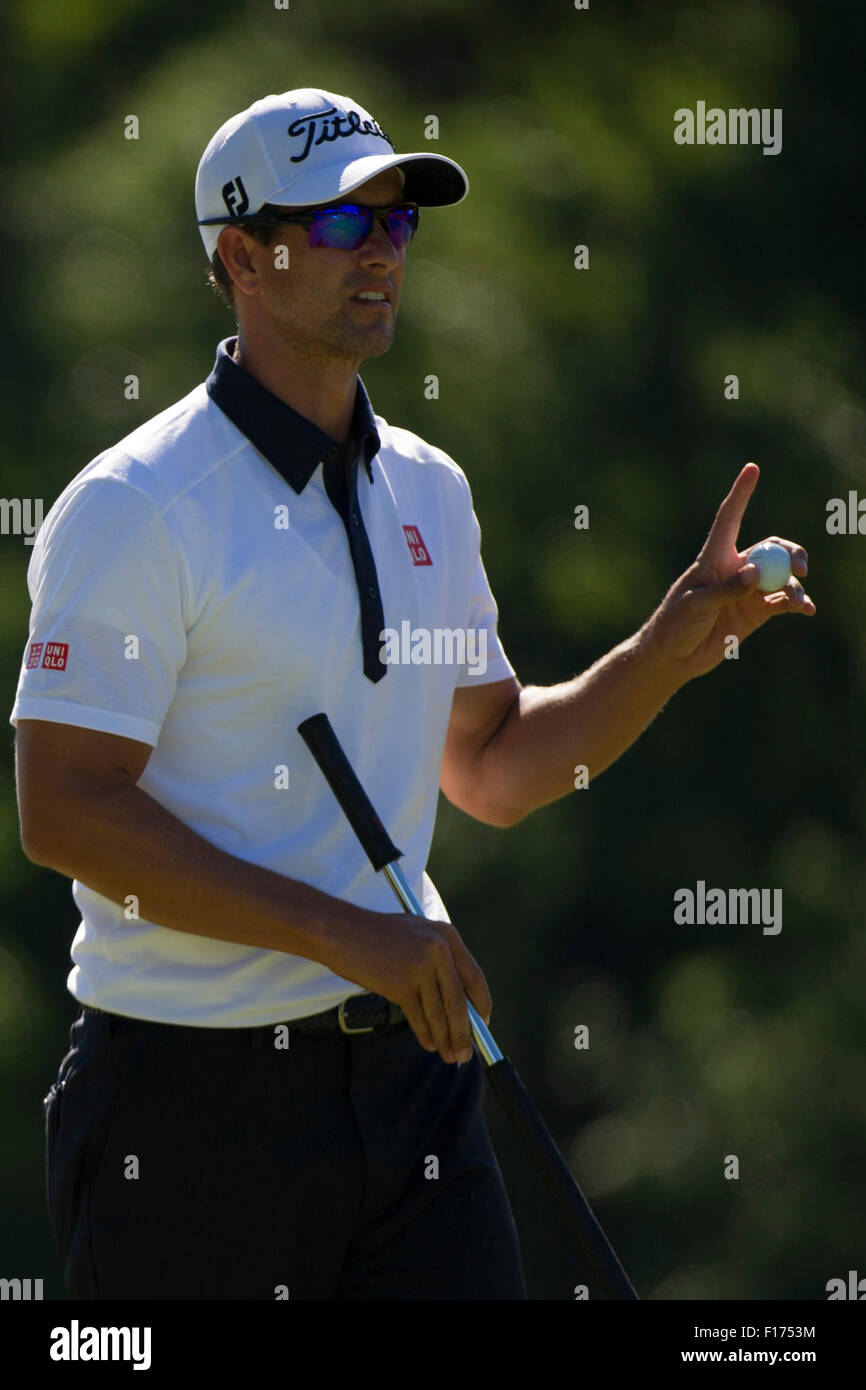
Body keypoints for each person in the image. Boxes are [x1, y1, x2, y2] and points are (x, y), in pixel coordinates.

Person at [11, 88, 815, 1301]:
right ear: (241, 258)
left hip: (408, 1086)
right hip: (187, 1108)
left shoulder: (428, 487)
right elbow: (65, 811)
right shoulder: (135, 505)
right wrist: (350, 935)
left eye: (397, 221)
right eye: (341, 224)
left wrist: (665, 647)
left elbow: (489, 765)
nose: (382, 250)